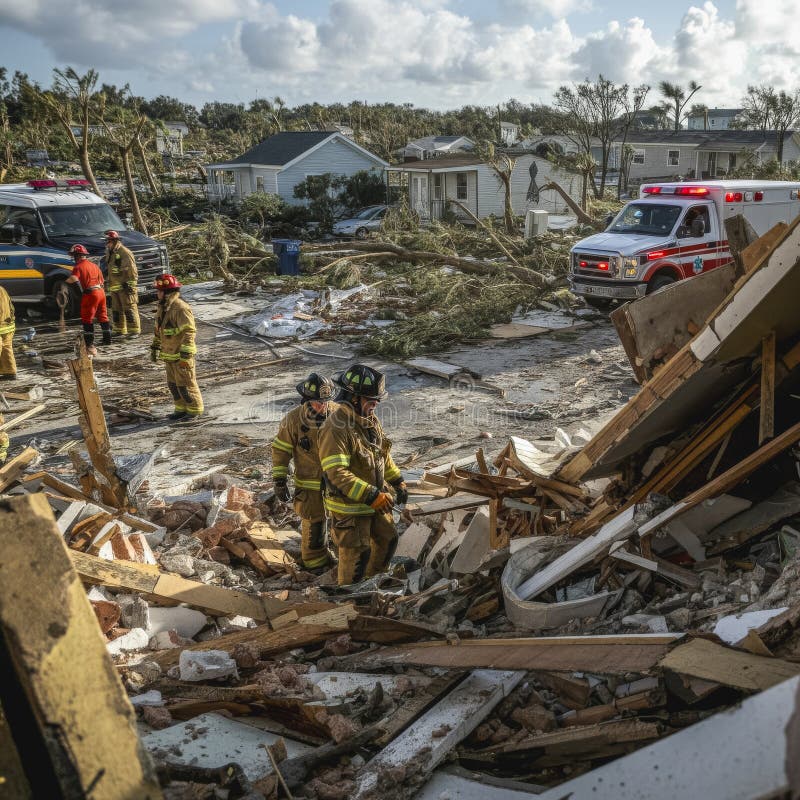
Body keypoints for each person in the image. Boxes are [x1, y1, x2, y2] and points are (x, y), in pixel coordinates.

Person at [318, 364, 408, 586]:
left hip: (375, 501)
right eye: (371, 399)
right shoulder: (336, 428)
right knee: (357, 554)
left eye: (377, 399)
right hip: (349, 507)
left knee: (388, 539)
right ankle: (349, 601)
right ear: (353, 397)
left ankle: (373, 584)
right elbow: (337, 473)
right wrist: (371, 495)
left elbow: (382, 457)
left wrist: (398, 481)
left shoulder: (371, 421)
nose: (376, 404)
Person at [272, 373, 337, 571]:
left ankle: (345, 560)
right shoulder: (292, 420)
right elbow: (281, 450)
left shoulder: (340, 415)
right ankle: (315, 563)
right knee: (314, 523)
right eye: (318, 402)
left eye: (326, 401)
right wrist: (280, 480)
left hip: (338, 482)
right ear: (307, 400)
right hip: (309, 483)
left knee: (344, 522)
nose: (322, 406)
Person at [150, 274, 203, 421]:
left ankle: (194, 410)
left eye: (159, 291)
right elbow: (159, 330)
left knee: (186, 384)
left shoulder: (180, 308)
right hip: (169, 354)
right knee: (173, 385)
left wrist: (186, 352)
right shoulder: (163, 307)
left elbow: (189, 331)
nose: (157, 293)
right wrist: (155, 347)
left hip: (181, 355)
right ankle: (180, 409)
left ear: (167, 293)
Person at [65, 244, 111, 356]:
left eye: (74, 256)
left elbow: (73, 279)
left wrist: (65, 284)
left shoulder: (78, 267)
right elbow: (102, 281)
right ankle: (107, 340)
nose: (74, 259)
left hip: (91, 294)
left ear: (78, 256)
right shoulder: (95, 266)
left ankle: (89, 344)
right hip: (101, 292)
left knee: (87, 319)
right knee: (103, 315)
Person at [104, 230, 140, 337]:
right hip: (115, 287)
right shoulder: (110, 253)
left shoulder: (125, 252)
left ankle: (134, 330)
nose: (107, 244)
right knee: (116, 310)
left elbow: (132, 271)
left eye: (108, 241)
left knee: (129, 309)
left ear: (115, 241)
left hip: (125, 287)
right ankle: (119, 329)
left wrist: (130, 285)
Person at [0, 285, 16, 380]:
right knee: (7, 349)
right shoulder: (2, 289)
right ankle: (10, 372)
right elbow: (11, 308)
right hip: (8, 326)